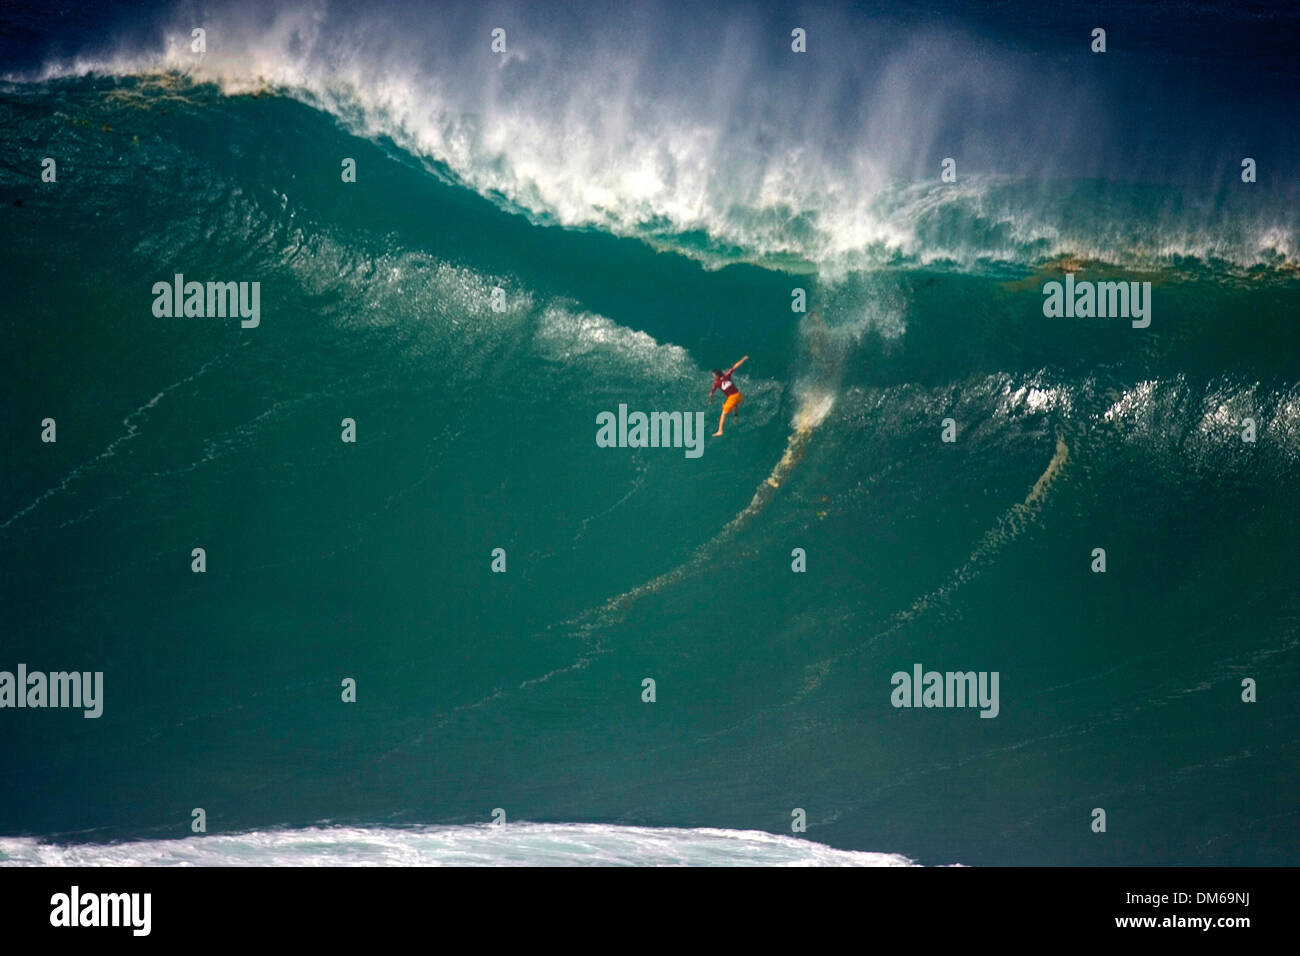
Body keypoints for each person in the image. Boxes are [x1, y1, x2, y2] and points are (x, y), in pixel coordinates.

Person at [708, 356, 749, 436]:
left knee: (723, 413)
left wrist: (711, 400)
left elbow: (711, 393)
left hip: (732, 397)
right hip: (738, 395)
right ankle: (736, 417)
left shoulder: (716, 383)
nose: (713, 376)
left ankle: (720, 430)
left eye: (714, 375)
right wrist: (743, 359)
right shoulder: (727, 375)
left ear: (717, 375)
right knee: (734, 404)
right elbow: (735, 367)